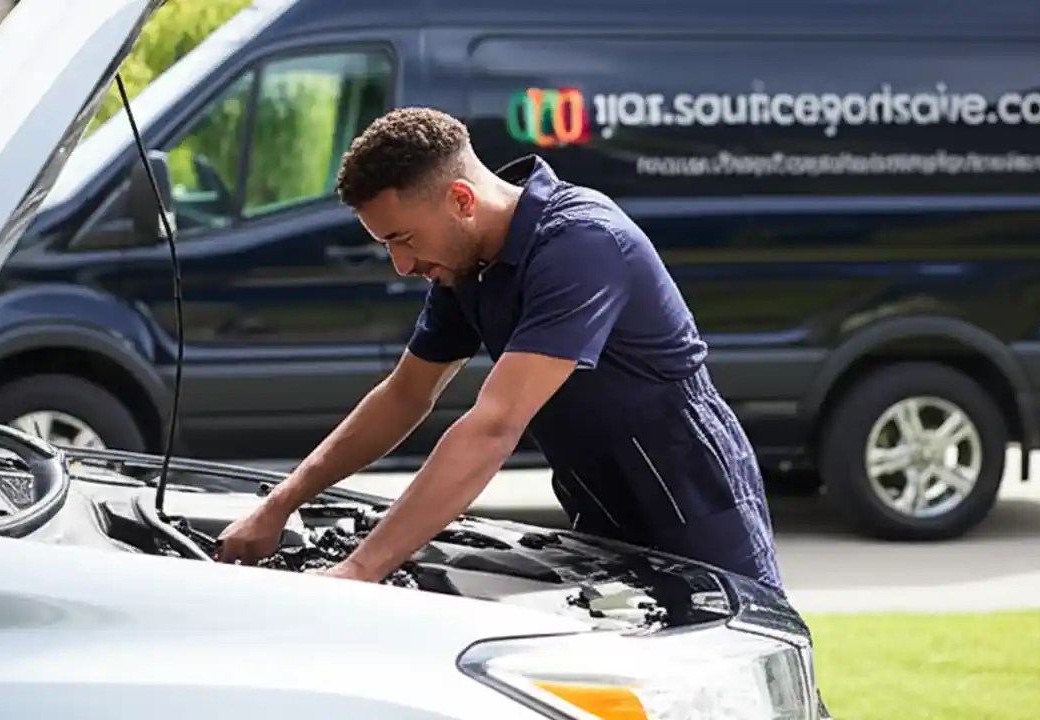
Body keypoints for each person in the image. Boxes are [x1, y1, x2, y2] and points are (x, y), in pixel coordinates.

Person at [215, 107, 784, 592]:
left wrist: (360, 571)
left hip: (692, 507)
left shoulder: (581, 244)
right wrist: (278, 504)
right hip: (599, 515)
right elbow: (404, 394)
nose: (403, 266)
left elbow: (492, 427)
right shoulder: (466, 266)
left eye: (404, 240)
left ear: (461, 199)